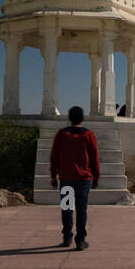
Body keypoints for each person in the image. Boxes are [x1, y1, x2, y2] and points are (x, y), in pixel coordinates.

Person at [49, 105, 100, 250]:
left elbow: (54, 157)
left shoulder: (61, 134)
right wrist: (96, 177)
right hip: (83, 180)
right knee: (81, 209)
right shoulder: (89, 135)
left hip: (66, 178)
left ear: (69, 118)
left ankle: (67, 237)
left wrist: (53, 175)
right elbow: (94, 158)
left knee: (67, 208)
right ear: (82, 118)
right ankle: (80, 240)